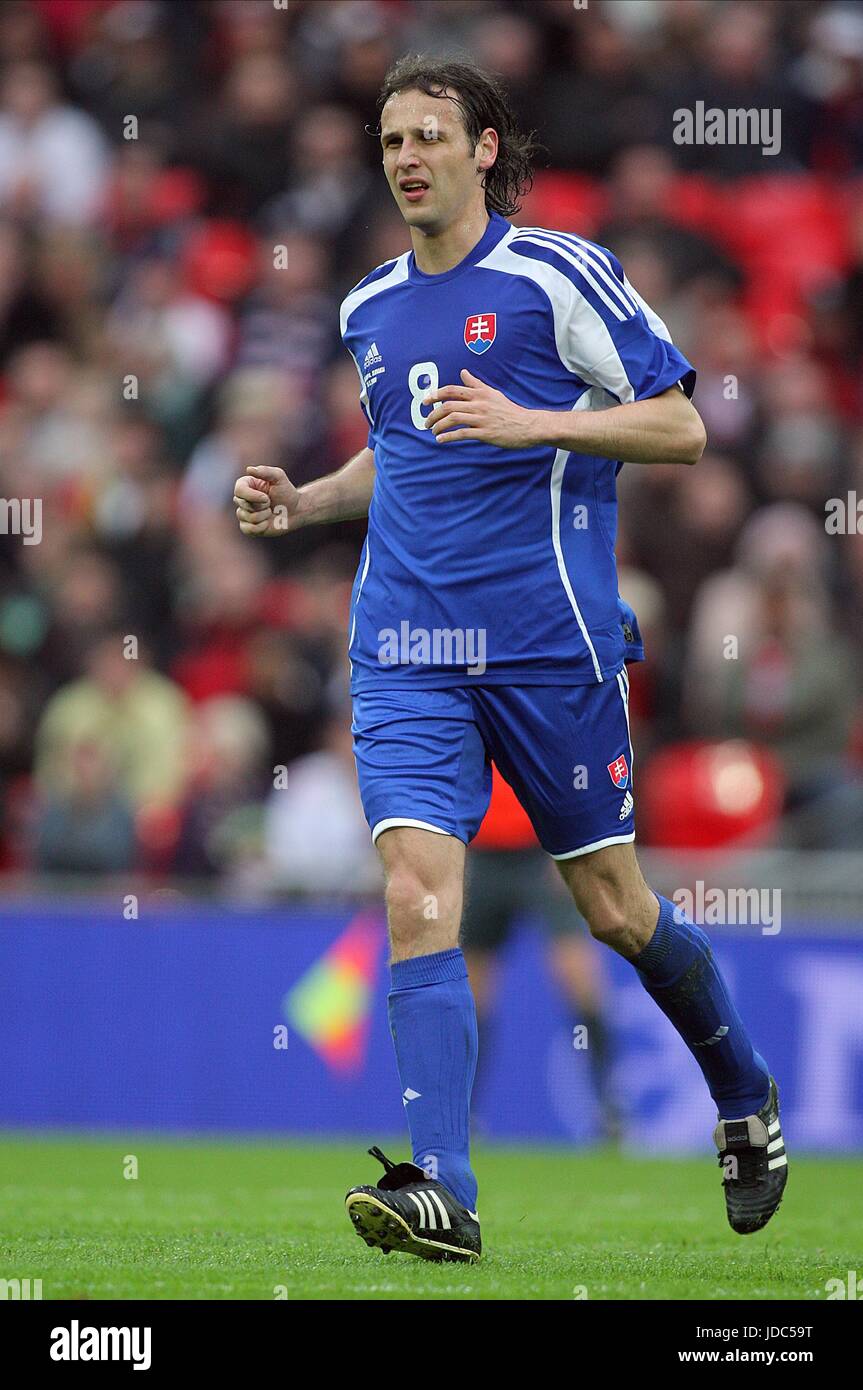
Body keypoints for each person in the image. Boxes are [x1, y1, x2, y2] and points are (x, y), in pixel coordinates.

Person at [234, 55, 786, 1265]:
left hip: (548, 651)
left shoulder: (556, 274)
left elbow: (684, 424)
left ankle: (743, 1100)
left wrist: (537, 418)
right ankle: (444, 1188)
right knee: (415, 892)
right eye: (389, 141)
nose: (405, 158)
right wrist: (309, 500)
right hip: (405, 652)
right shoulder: (367, 305)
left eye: (428, 134)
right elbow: (400, 452)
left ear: (484, 147)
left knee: (615, 910)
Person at [462, 764, 622, 1141]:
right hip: (480, 855)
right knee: (471, 995)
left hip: (542, 854)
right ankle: (461, 1114)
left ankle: (610, 1104)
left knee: (579, 979)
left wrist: (571, 844)